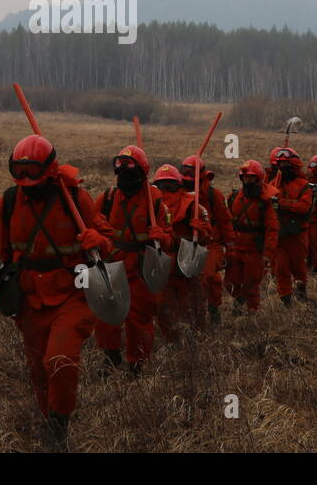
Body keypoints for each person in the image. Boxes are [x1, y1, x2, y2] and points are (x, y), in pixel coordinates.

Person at [0, 134, 111, 448]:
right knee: (38, 368)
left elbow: (107, 242)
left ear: (48, 170)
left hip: (74, 293)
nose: (25, 180)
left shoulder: (76, 199)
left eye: (31, 171)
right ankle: (48, 418)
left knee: (60, 360)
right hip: (30, 299)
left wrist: (97, 241)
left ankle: (60, 422)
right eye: (19, 172)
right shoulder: (7, 202)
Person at [93, 146, 169, 376]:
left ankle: (137, 363)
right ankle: (111, 356)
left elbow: (170, 237)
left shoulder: (156, 203)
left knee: (139, 316)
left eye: (129, 170)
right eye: (120, 171)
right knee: (106, 313)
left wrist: (161, 237)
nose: (123, 177)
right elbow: (90, 223)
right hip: (113, 262)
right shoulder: (106, 198)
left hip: (141, 265)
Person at [152, 164, 211, 338]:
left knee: (193, 304)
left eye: (170, 186)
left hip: (188, 264)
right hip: (163, 266)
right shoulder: (150, 206)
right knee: (163, 305)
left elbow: (208, 237)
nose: (166, 191)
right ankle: (172, 341)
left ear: (179, 186)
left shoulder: (195, 207)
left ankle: (196, 340)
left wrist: (200, 231)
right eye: (161, 186)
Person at [181, 155, 233, 325]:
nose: (187, 176)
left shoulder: (213, 195)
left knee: (207, 277)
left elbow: (225, 222)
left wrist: (230, 247)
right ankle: (192, 317)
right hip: (186, 244)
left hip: (211, 244)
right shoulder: (178, 193)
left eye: (191, 172)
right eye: (185, 172)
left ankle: (212, 310)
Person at [224, 160, 278, 312]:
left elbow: (272, 229)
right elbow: (224, 221)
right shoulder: (233, 197)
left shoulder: (266, 202)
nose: (247, 180)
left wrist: (268, 254)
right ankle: (240, 298)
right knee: (230, 283)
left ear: (258, 178)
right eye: (245, 177)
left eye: (251, 178)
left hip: (255, 250)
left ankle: (252, 312)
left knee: (251, 284)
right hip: (235, 248)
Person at [272, 150, 314, 302]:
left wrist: (281, 203)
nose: (283, 167)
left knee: (298, 267)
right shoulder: (274, 184)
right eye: (280, 164)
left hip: (297, 235)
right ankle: (285, 298)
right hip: (279, 234)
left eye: (286, 163)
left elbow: (304, 206)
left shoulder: (303, 185)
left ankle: (301, 291)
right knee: (281, 267)